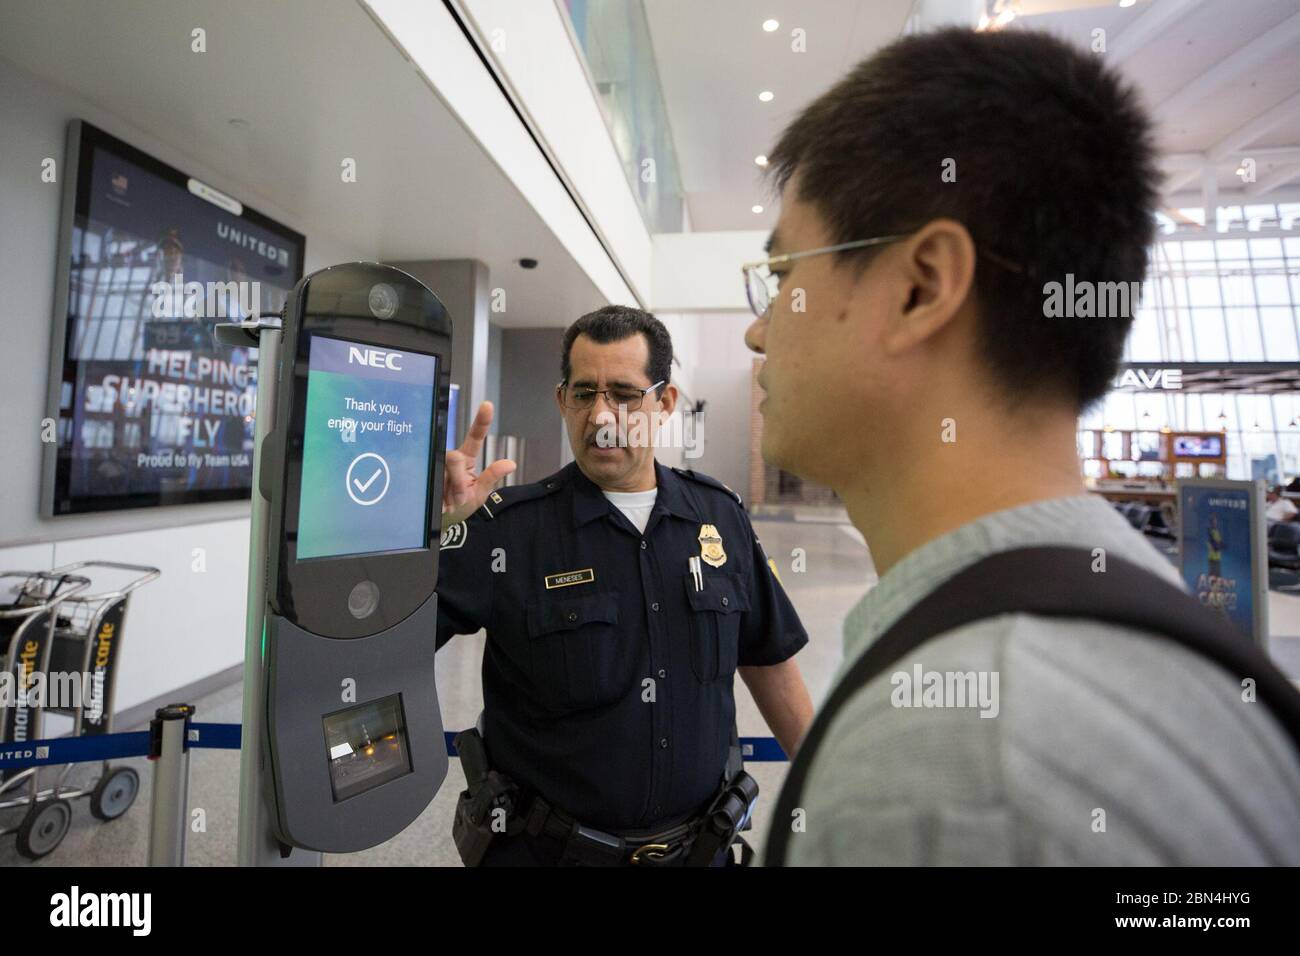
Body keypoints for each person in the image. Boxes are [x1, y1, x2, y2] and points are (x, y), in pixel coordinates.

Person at [742, 27, 1300, 864]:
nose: (756, 331)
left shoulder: (961, 769)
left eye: (784, 276)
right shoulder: (1129, 616)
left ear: (921, 287)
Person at [437, 305, 813, 866]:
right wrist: (430, 538)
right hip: (548, 855)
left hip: (699, 850)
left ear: (665, 403)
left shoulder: (719, 518)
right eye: (584, 393)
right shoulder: (507, 527)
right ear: (562, 400)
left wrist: (827, 787)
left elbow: (769, 661)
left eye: (624, 393)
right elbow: (386, 646)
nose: (601, 415)